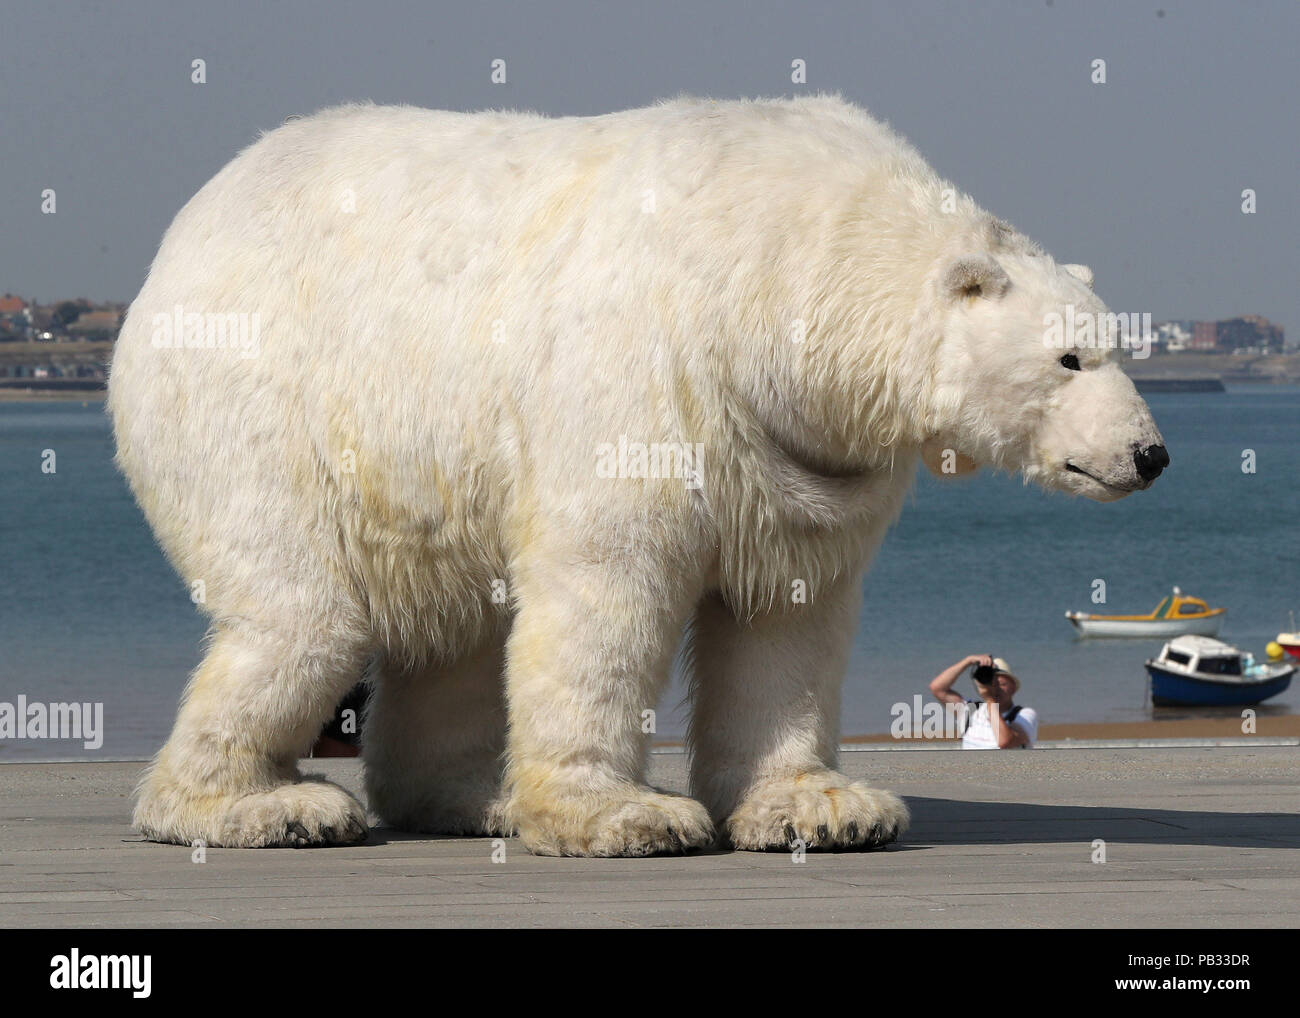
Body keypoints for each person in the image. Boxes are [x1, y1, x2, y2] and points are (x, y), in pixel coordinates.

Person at [929, 654, 1038, 749]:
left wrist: (990, 699)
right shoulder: (971, 711)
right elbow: (937, 688)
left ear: (1013, 688)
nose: (996, 688)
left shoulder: (1024, 715)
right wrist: (968, 661)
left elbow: (1005, 741)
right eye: (992, 684)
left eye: (1002, 684)